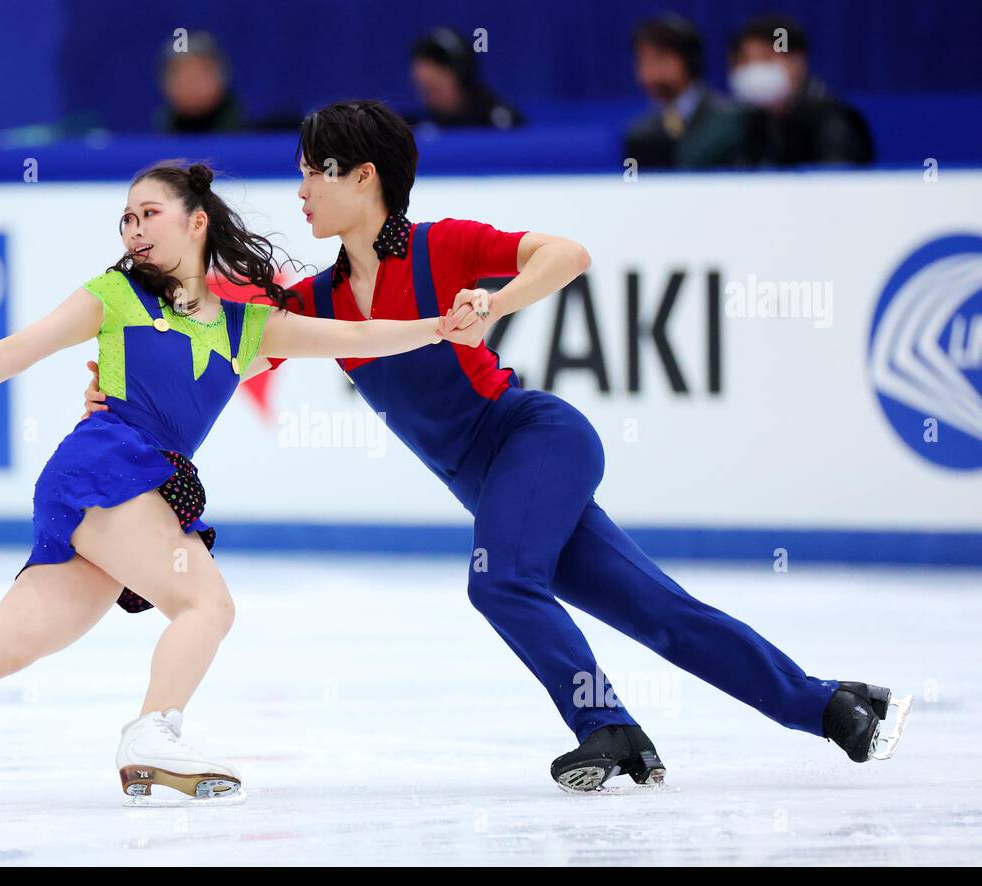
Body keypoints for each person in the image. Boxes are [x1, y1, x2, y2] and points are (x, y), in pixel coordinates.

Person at [87, 101, 912, 792]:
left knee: (501, 584)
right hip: (494, 484)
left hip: (537, 441)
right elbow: (212, 362)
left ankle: (611, 730)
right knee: (662, 615)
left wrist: (496, 301)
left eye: (315, 172)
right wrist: (118, 395)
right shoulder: (319, 302)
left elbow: (569, 255)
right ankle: (836, 706)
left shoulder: (443, 246)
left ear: (363, 178)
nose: (301, 190)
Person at [0, 160, 484, 807]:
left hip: (107, 489)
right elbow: (13, 350)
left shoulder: (248, 329)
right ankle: (153, 732)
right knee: (207, 604)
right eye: (126, 218)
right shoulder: (114, 295)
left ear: (196, 221)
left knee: (5, 648)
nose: (133, 229)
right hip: (105, 470)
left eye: (148, 213)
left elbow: (353, 339)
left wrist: (438, 329)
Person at [728, 15, 873, 166]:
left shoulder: (831, 120)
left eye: (766, 58)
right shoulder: (750, 123)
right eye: (745, 60)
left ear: (798, 61)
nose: (754, 69)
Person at [624, 14, 753, 169]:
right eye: (642, 60)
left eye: (660, 58)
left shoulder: (733, 119)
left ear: (690, 60)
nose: (649, 71)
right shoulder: (639, 133)